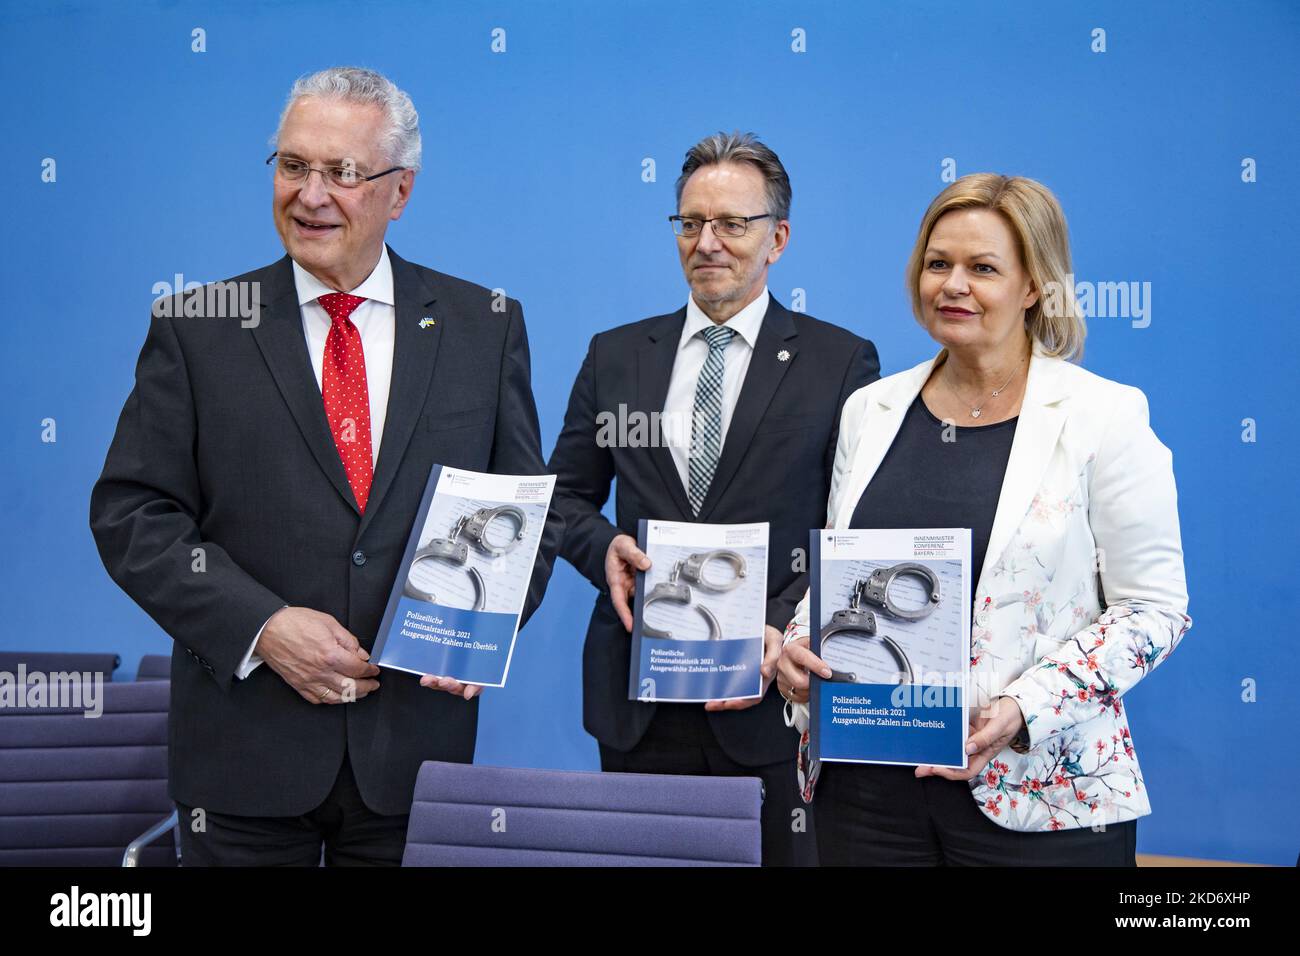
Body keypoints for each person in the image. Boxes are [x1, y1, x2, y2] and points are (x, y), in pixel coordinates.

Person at [89, 67, 562, 866]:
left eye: (342, 172)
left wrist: (484, 626)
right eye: (292, 165)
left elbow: (527, 514)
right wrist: (262, 627)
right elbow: (133, 515)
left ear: (400, 190)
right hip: (242, 759)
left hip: (413, 760)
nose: (310, 195)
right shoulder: (196, 327)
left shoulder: (485, 328)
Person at [777, 173, 1191, 865]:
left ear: (1035, 286)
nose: (953, 285)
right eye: (938, 264)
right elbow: (841, 577)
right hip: (864, 792)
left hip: (1040, 794)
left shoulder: (1105, 417)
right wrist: (796, 642)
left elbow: (1154, 611)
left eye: (984, 268)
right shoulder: (871, 411)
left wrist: (1024, 709)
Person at [548, 131, 880, 866]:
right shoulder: (616, 355)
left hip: (769, 693)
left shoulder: (839, 361)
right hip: (639, 695)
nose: (708, 242)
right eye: (690, 222)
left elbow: (851, 530)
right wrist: (602, 547)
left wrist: (775, 628)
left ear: (778, 238)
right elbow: (562, 498)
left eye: (733, 223)